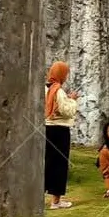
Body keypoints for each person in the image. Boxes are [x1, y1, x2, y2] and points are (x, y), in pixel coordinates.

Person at [44, 61, 78, 209]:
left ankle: (40, 197)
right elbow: (66, 111)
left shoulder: (46, 89)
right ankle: (56, 200)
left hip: (47, 128)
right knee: (60, 164)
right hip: (59, 130)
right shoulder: (58, 90)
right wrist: (73, 100)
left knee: (48, 163)